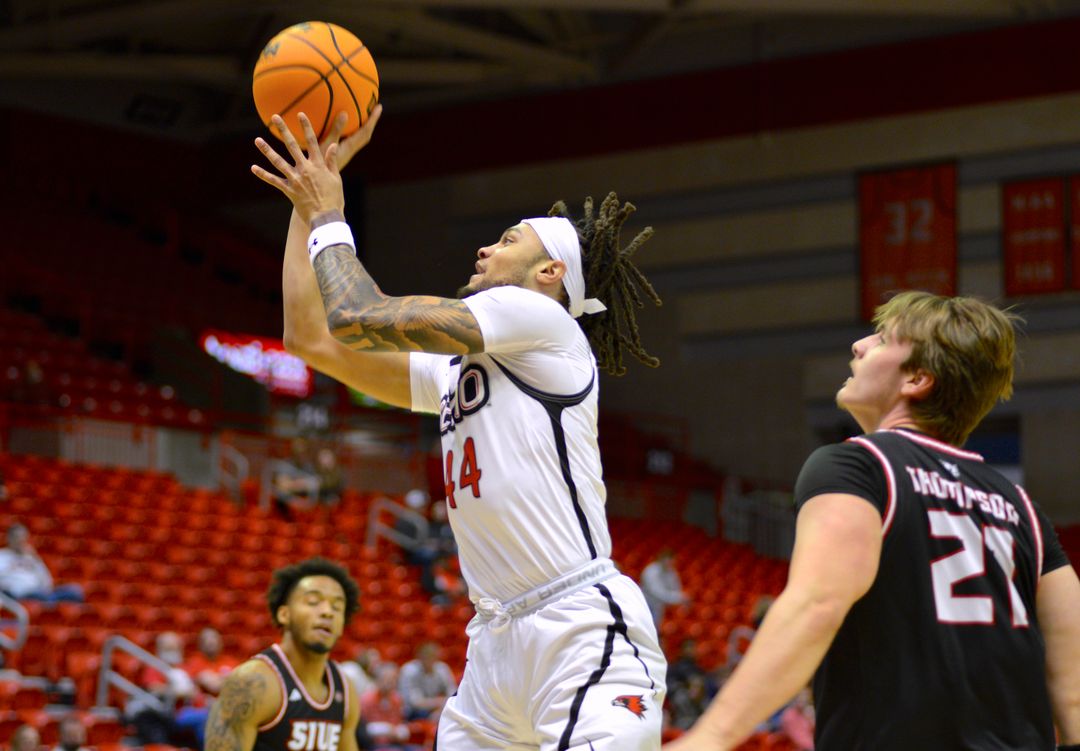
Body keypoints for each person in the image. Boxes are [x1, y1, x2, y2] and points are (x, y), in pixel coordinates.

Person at [255, 108, 666, 750]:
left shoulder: (539, 319)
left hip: (580, 627)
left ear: (549, 273)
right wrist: (312, 195)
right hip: (493, 647)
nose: (485, 248)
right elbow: (310, 335)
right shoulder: (459, 370)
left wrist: (332, 215)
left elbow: (358, 314)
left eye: (507, 240)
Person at [665, 291, 1080, 750]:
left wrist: (707, 739)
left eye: (882, 340)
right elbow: (1074, 691)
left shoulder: (856, 467)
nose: (859, 345)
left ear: (918, 379)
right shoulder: (1023, 508)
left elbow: (816, 605)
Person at [203, 557, 361, 751]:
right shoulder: (251, 683)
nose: (328, 612)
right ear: (284, 614)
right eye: (313, 602)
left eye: (337, 607)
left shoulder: (345, 691)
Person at [0, 522, 83, 603]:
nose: (20, 541)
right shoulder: (2, 555)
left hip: (40, 593)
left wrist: (36, 558)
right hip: (19, 595)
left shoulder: (31, 557)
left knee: (74, 591)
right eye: (17, 537)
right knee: (42, 598)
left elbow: (48, 582)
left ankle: (50, 605)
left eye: (23, 537)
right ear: (9, 538)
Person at [359, 663, 420, 751]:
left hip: (394, 743)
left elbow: (400, 724)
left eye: (393, 680)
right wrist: (386, 729)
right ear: (378, 680)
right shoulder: (366, 699)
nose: (390, 683)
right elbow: (362, 730)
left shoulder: (397, 699)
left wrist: (400, 732)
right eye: (386, 679)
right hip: (373, 745)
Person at [396, 641, 456, 722]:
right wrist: (440, 702)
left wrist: (439, 708)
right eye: (427, 657)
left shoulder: (442, 668)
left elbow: (453, 694)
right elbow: (415, 702)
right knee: (422, 714)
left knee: (453, 713)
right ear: (419, 658)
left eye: (433, 657)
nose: (430, 661)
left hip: (436, 707)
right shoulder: (409, 670)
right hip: (412, 711)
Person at [640, 548, 689, 627]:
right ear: (661, 558)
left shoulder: (671, 573)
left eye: (671, 559)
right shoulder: (650, 570)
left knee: (654, 630)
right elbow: (655, 592)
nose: (669, 561)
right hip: (645, 605)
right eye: (667, 558)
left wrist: (680, 597)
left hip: (658, 608)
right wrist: (678, 598)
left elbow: (676, 589)